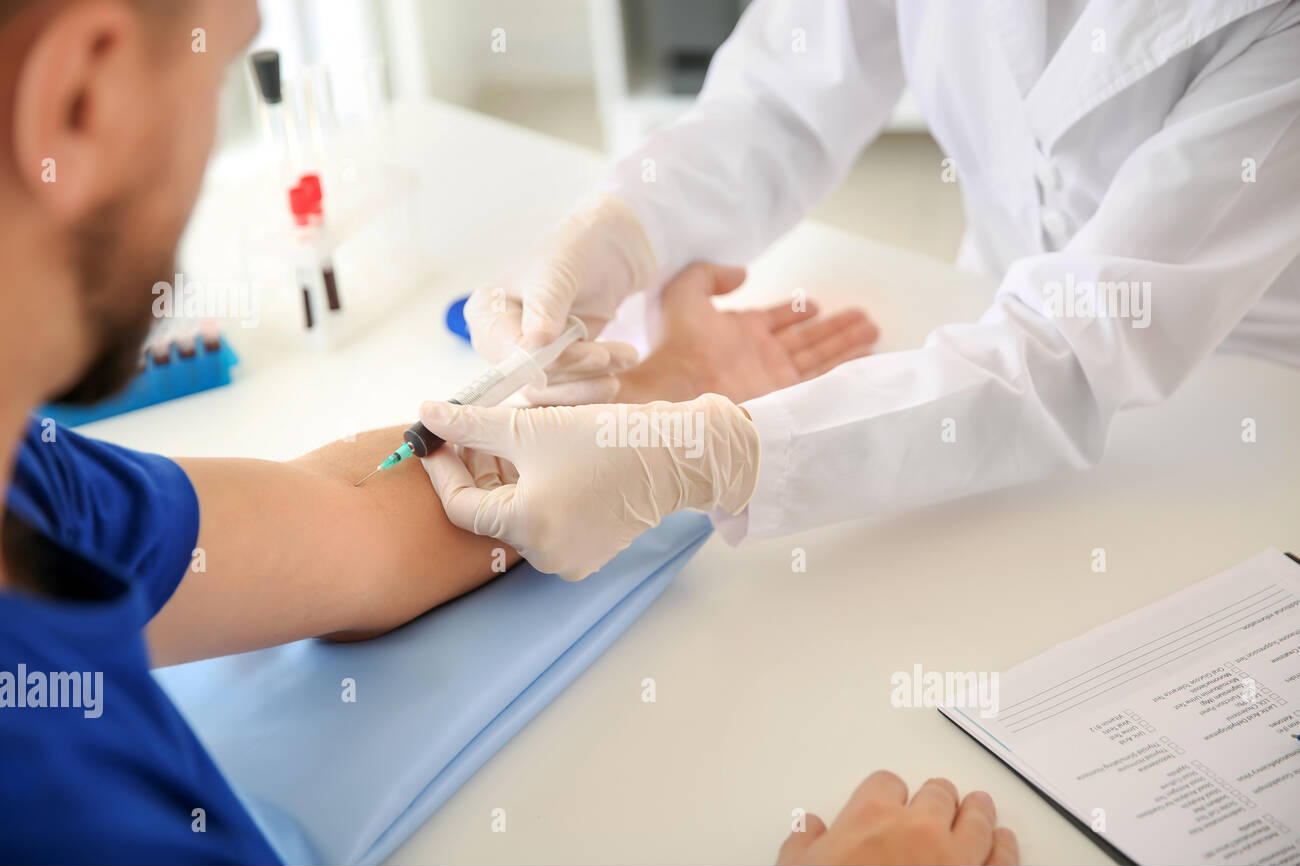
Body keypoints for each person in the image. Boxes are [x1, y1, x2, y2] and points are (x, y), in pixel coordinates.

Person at [1, 0, 1002, 865]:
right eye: (220, 69)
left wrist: (661, 385)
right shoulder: (63, 810)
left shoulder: (38, 492)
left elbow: (355, 525)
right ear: (81, 100)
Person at [425, 0, 1300, 581]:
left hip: (1241, 406)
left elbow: (1071, 350)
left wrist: (714, 455)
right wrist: (619, 227)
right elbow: (781, 103)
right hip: (984, 311)